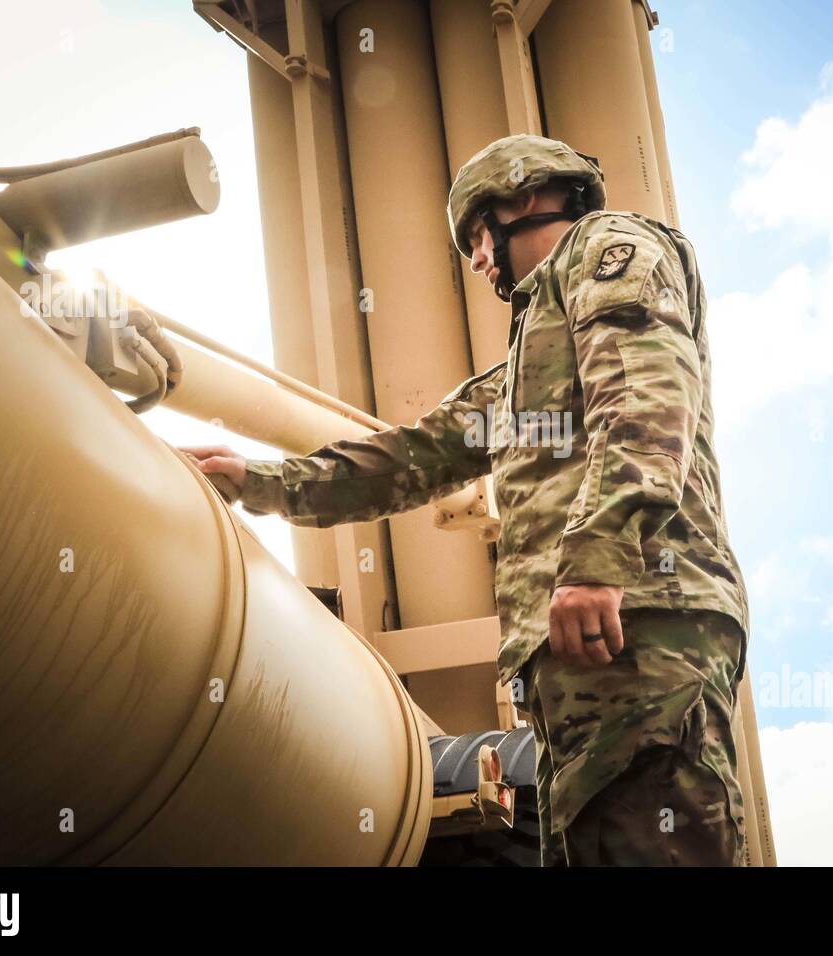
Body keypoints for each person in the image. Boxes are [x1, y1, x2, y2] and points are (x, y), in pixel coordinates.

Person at [181, 133, 751, 866]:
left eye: (477, 240)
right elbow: (407, 460)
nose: (480, 264)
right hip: (584, 652)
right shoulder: (519, 375)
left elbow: (643, 398)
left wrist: (596, 561)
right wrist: (257, 481)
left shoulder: (609, 248)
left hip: (639, 620)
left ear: (520, 196)